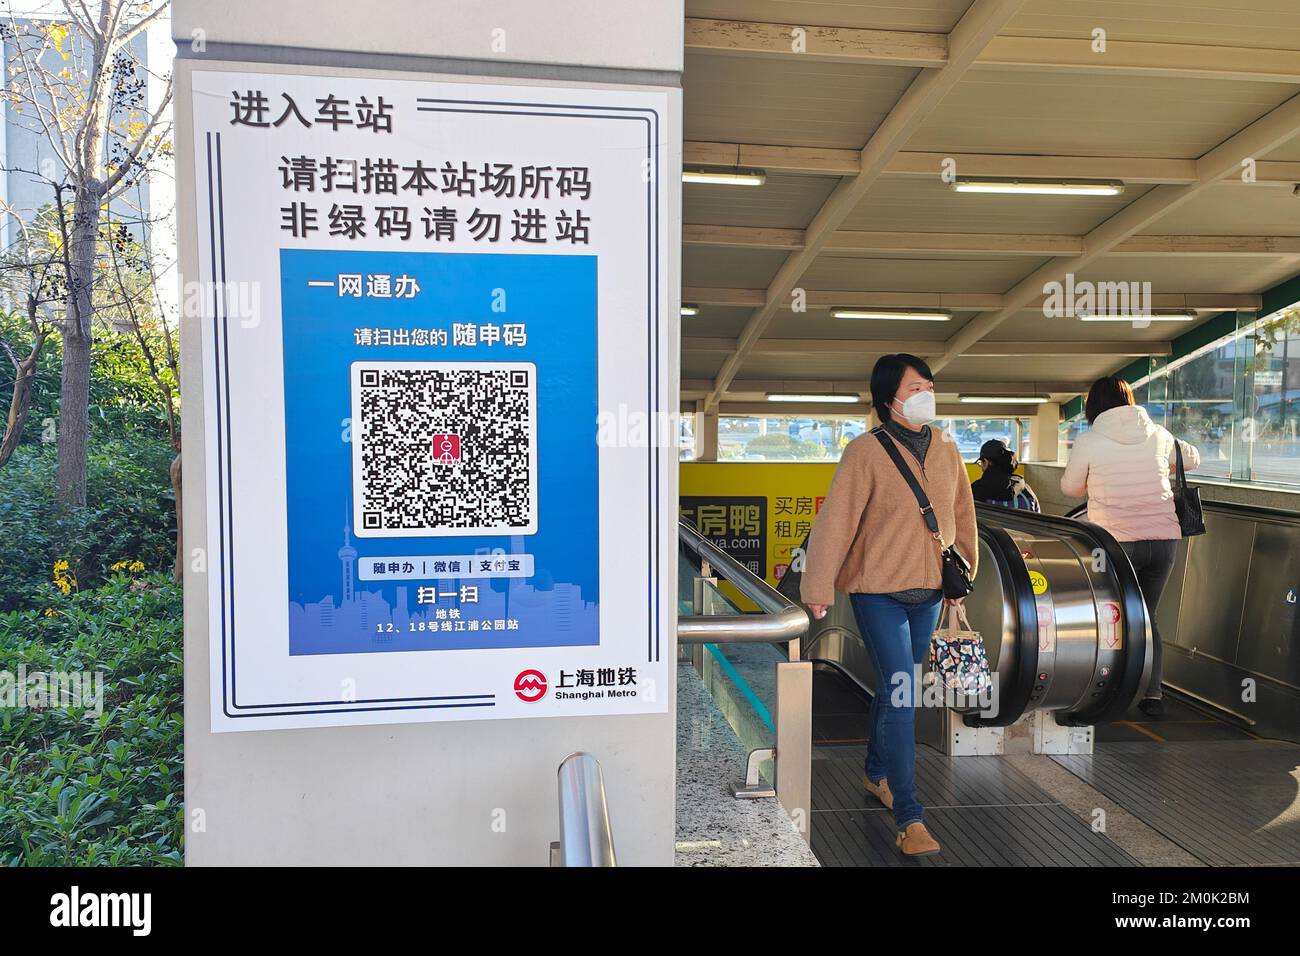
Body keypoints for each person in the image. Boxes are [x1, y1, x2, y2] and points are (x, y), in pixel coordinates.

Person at [801, 354, 978, 857]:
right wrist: (818, 587)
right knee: (902, 692)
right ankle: (910, 816)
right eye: (916, 386)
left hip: (928, 592)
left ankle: (877, 773)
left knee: (896, 686)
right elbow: (836, 522)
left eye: (929, 384)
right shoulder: (865, 452)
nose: (926, 393)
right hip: (877, 590)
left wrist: (963, 568)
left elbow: (960, 513)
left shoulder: (946, 448)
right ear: (889, 399)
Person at [1060, 376, 1201, 719]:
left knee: (1113, 616)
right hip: (1164, 541)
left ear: (1093, 405)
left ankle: (1108, 692)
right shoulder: (1159, 434)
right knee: (1148, 616)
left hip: (1117, 543)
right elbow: (1193, 458)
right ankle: (1153, 694)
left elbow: (1070, 488)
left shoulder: (1090, 440)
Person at [971, 439, 1040, 511]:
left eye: (981, 463)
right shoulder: (1026, 490)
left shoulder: (975, 491)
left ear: (986, 462)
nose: (981, 466)